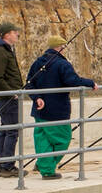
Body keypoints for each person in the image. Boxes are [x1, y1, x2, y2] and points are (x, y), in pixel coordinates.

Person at [26, 35, 96, 180]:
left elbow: (28, 83)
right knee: (63, 138)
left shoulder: (38, 62)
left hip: (40, 110)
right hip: (57, 110)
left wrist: (37, 98)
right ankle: (47, 169)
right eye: (64, 47)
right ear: (60, 48)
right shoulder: (62, 64)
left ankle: (42, 163)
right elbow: (73, 81)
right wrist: (90, 83)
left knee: (42, 138)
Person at [0, 21, 24, 177]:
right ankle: (7, 166)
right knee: (11, 131)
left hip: (11, 96)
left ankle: (5, 163)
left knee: (7, 129)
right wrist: (12, 93)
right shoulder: (0, 52)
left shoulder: (7, 50)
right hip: (8, 98)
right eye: (15, 32)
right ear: (7, 34)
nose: (17, 34)